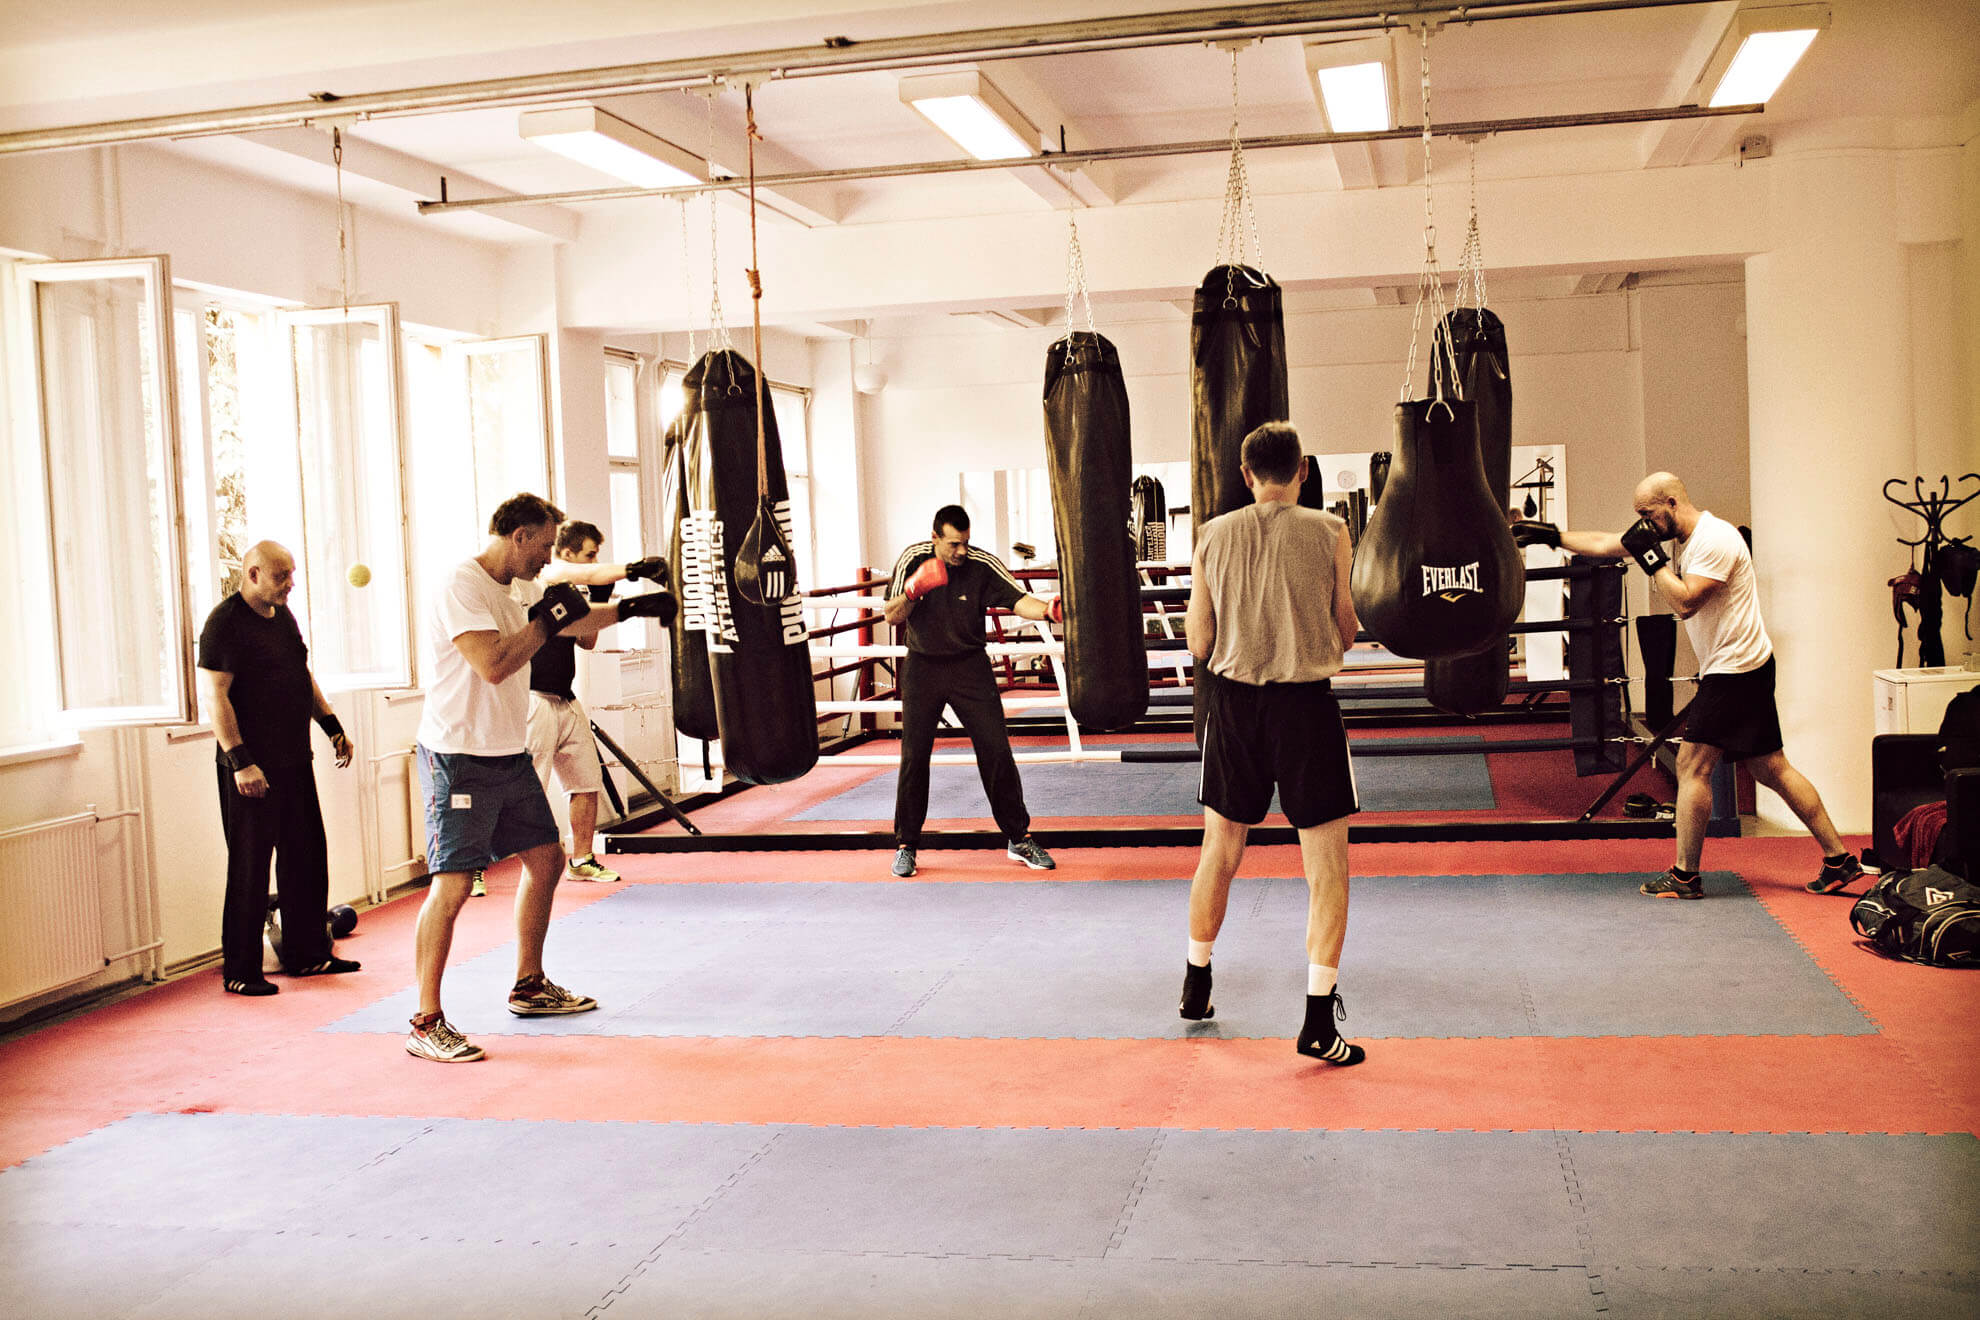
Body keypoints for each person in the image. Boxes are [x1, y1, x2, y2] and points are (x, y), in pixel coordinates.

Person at [408, 493, 676, 1062]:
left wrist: (633, 608)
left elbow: (572, 623)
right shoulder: (463, 584)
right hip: (458, 755)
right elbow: (495, 663)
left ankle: (528, 984)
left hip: (505, 752)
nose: (547, 557)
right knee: (453, 885)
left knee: (547, 859)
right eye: (545, 544)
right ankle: (426, 1019)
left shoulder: (521, 587)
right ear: (519, 535)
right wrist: (545, 619)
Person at [1516, 472, 1866, 899]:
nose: (1643, 522)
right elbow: (1609, 544)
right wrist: (1550, 535)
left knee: (1691, 766)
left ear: (1671, 504)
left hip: (1735, 671)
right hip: (1745, 666)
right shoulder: (1676, 537)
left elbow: (1685, 601)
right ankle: (1839, 860)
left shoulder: (1715, 540)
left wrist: (1652, 561)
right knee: (1771, 767)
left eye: (1647, 514)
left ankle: (1685, 876)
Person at [1181, 422, 1365, 1066]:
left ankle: (1196, 984)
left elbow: (1199, 644)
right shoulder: (1332, 531)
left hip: (1232, 710)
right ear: (1304, 470)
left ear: (1245, 473)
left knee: (1219, 851)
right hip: (1304, 711)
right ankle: (1318, 1021)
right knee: (1326, 871)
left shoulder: (1211, 534)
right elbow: (1347, 629)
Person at [197, 541, 361, 996]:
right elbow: (216, 697)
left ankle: (308, 955)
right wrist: (240, 761)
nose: (290, 584)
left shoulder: (283, 618)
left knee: (307, 855)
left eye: (291, 575)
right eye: (280, 576)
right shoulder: (225, 623)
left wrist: (331, 725)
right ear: (251, 574)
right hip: (251, 770)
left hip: (294, 761)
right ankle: (241, 970)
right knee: (250, 866)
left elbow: (300, 677)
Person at [882, 504, 1062, 879]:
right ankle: (906, 846)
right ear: (935, 539)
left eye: (965, 543)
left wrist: (1047, 610)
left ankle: (1019, 838)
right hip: (923, 667)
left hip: (969, 667)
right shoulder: (912, 559)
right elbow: (892, 614)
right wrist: (916, 589)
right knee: (915, 756)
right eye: (952, 545)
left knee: (996, 748)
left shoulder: (981, 564)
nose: (960, 551)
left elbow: (1016, 599)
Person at [502, 518, 671, 892]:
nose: (596, 561)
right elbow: (588, 571)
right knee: (529, 788)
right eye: (590, 554)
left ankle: (581, 860)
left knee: (585, 781)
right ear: (566, 554)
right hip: (533, 700)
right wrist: (634, 570)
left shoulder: (571, 593)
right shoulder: (543, 579)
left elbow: (588, 641)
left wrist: (598, 598)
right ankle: (481, 866)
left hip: (566, 697)